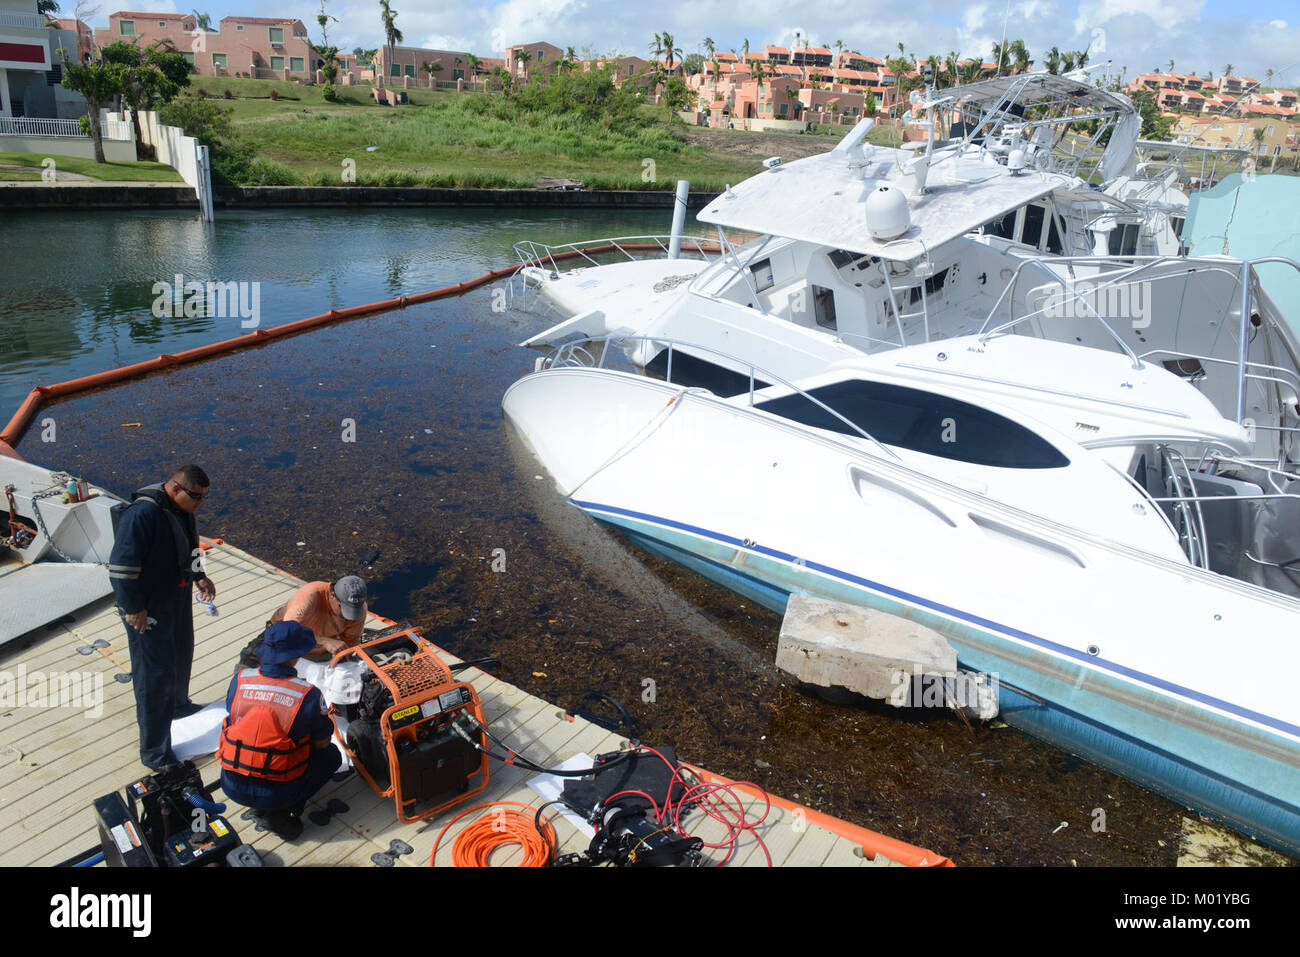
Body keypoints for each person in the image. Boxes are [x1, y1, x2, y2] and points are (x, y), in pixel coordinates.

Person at [109, 465, 215, 771]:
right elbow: (121, 568)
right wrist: (134, 609)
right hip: (148, 607)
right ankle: (155, 752)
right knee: (154, 676)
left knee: (182, 654)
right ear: (175, 489)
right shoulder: (142, 514)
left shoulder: (184, 510)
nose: (200, 503)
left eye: (204, 498)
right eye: (196, 497)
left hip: (176, 597)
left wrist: (200, 577)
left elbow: (192, 546)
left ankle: (179, 705)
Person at [218, 621, 342, 840]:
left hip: (231, 783)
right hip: (278, 793)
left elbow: (235, 719)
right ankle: (282, 812)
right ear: (296, 656)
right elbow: (322, 742)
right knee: (331, 755)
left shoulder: (240, 680)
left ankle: (259, 806)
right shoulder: (307, 694)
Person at [270, 576, 368, 657]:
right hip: (282, 642)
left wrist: (345, 656)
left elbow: (352, 641)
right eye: (342, 607)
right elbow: (287, 631)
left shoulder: (361, 609)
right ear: (333, 595)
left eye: (354, 610)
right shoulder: (309, 595)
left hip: (319, 652)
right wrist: (324, 641)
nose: (346, 615)